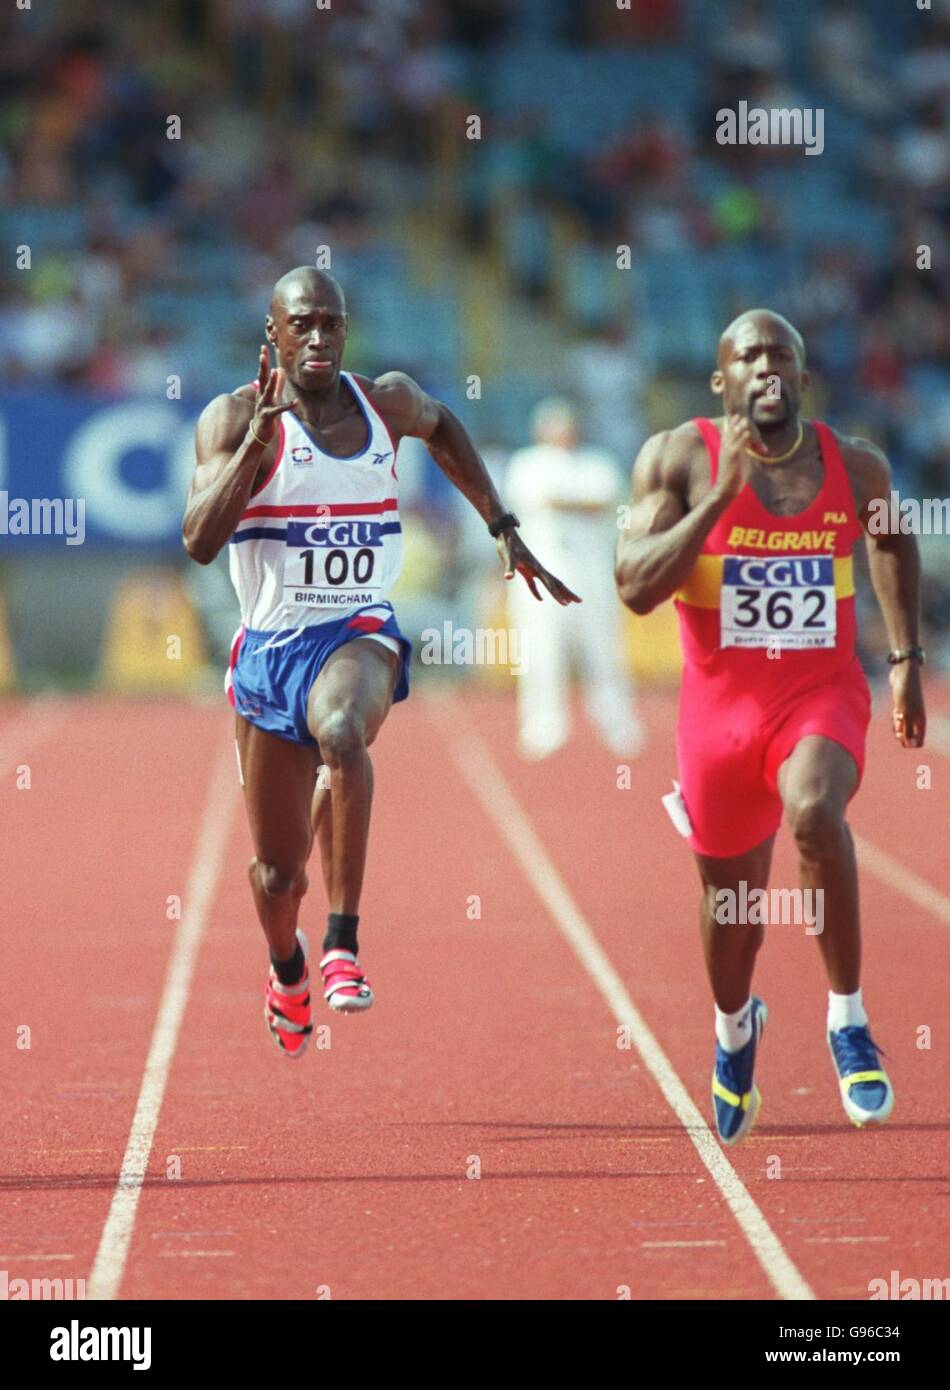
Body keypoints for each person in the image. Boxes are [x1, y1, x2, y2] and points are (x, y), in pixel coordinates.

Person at [182, 266, 579, 1057]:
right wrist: (259, 443)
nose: (321, 338)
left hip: (358, 630)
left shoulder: (384, 401)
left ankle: (341, 941)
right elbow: (198, 540)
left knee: (342, 732)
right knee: (275, 874)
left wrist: (500, 521)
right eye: (304, 325)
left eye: (332, 323)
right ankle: (287, 965)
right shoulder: (231, 418)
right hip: (270, 650)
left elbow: (446, 428)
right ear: (275, 334)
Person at [615, 309, 925, 1142]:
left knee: (818, 815)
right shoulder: (676, 458)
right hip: (719, 715)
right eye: (748, 356)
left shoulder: (853, 465)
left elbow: (892, 541)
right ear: (722, 380)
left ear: (801, 375)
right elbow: (635, 586)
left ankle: (848, 1018)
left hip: (819, 693)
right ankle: (733, 1027)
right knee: (733, 911)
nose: (766, 367)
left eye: (780, 354)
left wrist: (905, 659)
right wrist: (715, 500)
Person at [506, 398, 645, 760]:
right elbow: (533, 502)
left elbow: (602, 502)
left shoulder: (597, 463)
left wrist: (562, 501)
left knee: (603, 649)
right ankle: (544, 724)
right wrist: (573, 503)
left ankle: (616, 720)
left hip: (591, 571)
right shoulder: (526, 463)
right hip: (541, 572)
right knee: (541, 649)